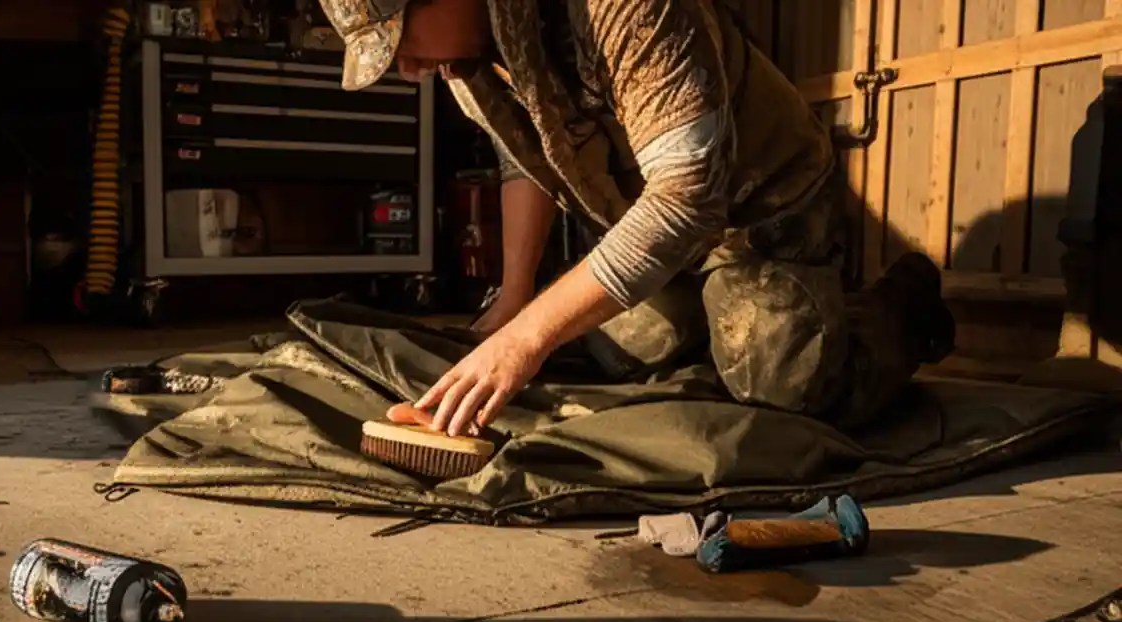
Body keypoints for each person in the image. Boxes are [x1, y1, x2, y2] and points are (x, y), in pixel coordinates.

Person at [317, 0, 955, 437]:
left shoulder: (620, 8)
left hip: (762, 208)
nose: (404, 68)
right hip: (642, 222)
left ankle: (906, 303)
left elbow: (686, 199)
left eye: (399, 38)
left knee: (784, 385)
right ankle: (722, 317)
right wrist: (512, 303)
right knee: (616, 351)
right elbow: (526, 163)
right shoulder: (466, 60)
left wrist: (527, 335)